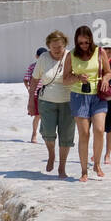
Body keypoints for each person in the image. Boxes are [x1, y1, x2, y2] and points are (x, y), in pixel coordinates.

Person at [62, 24, 110, 181]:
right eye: (80, 43)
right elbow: (65, 79)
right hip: (79, 96)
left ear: (91, 40)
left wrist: (105, 79)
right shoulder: (71, 55)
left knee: (99, 129)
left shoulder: (100, 52)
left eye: (86, 42)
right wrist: (77, 78)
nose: (83, 46)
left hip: (98, 96)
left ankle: (96, 163)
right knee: (84, 134)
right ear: (76, 42)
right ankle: (84, 171)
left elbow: (108, 72)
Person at [35, 30, 75, 178]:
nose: (57, 50)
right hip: (46, 101)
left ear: (65, 44)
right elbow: (34, 79)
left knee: (66, 136)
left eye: (60, 46)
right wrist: (30, 102)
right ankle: (51, 154)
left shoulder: (71, 56)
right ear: (48, 46)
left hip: (68, 102)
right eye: (54, 47)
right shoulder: (44, 58)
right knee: (48, 133)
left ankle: (62, 167)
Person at [24, 47, 47, 142]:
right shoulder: (32, 66)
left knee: (46, 116)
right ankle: (34, 134)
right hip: (36, 94)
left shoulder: (49, 67)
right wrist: (30, 91)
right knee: (38, 116)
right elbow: (26, 79)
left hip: (48, 94)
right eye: (40, 56)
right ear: (37, 57)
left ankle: (46, 135)